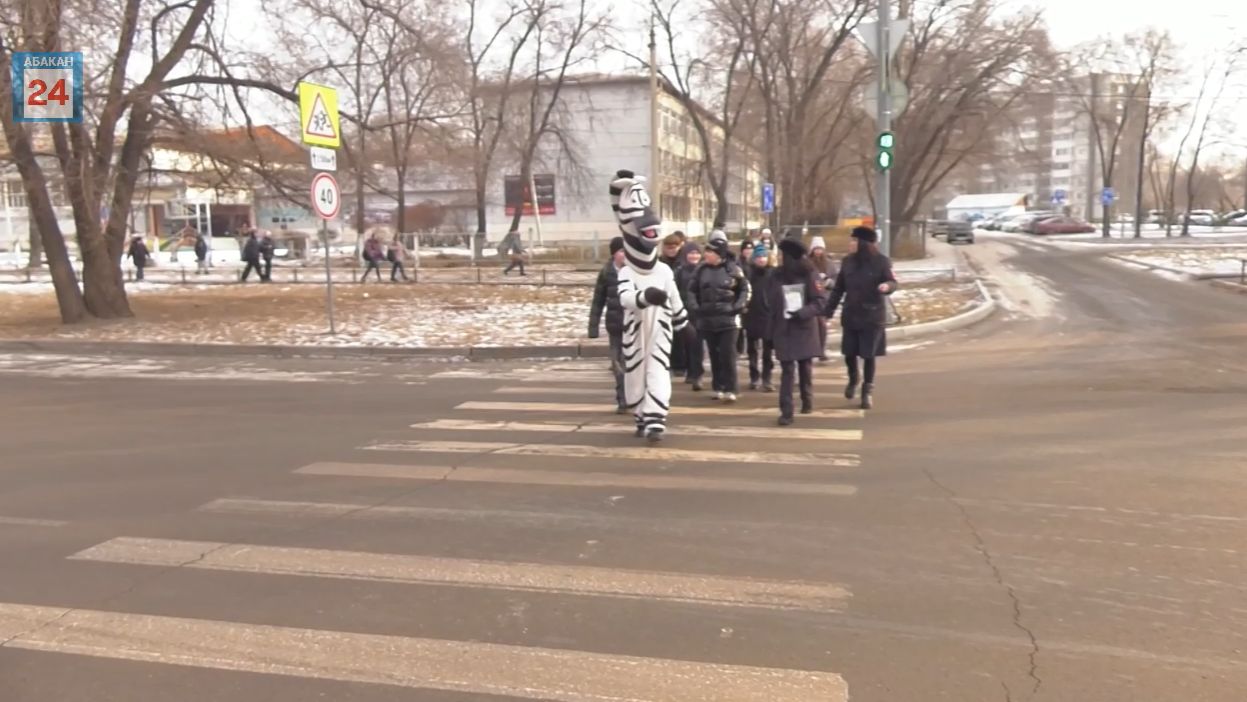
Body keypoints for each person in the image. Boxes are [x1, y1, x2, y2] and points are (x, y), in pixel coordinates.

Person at [610, 170, 689, 442]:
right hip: (634, 331)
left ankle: (655, 420)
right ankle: (640, 415)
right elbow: (625, 298)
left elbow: (674, 297)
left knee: (657, 370)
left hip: (660, 330)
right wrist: (645, 298)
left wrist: (684, 324)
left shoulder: (664, 270)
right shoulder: (627, 272)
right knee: (635, 375)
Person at [825, 226, 898, 410]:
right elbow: (838, 289)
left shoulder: (881, 261)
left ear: (863, 243)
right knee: (849, 353)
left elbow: (892, 281)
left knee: (868, 355)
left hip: (872, 316)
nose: (851, 243)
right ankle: (853, 378)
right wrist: (828, 311)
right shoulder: (848, 262)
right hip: (851, 314)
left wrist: (887, 286)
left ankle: (867, 391)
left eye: (854, 240)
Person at [766, 238, 827, 425]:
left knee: (804, 366)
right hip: (783, 328)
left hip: (803, 328)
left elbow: (820, 302)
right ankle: (786, 411)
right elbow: (770, 301)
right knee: (787, 370)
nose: (779, 258)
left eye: (782, 255)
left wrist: (802, 312)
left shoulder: (810, 274)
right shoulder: (776, 275)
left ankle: (807, 399)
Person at [687, 237, 748, 402]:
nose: (706, 254)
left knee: (728, 354)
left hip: (729, 320)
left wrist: (738, 306)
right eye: (706, 251)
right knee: (714, 354)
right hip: (707, 320)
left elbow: (744, 289)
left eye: (710, 251)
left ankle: (731, 388)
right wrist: (695, 306)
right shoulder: (701, 270)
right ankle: (717, 387)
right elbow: (691, 290)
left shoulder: (733, 269)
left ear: (719, 254)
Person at [588, 236, 627, 413]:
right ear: (614, 254)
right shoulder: (606, 272)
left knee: (632, 363)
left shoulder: (634, 271)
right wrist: (593, 327)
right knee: (618, 364)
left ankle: (635, 395)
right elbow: (598, 301)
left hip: (634, 326)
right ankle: (622, 399)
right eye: (621, 251)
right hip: (615, 326)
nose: (625, 255)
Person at [742, 243, 775, 391]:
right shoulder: (748, 273)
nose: (761, 259)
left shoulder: (773, 273)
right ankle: (754, 377)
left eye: (764, 257)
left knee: (768, 350)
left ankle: (767, 378)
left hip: (768, 315)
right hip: (751, 314)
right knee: (752, 349)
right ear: (754, 259)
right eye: (758, 257)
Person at [674, 241, 705, 391]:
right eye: (691, 253)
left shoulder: (704, 270)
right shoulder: (680, 271)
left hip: (699, 312)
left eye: (697, 253)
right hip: (684, 311)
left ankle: (697, 374)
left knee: (697, 343)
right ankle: (689, 370)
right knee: (687, 343)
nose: (694, 256)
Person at [808, 236, 838, 361]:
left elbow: (837, 280)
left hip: (825, 299)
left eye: (820, 249)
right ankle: (812, 349)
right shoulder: (808, 263)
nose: (818, 252)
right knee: (812, 326)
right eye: (816, 249)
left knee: (822, 325)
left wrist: (829, 282)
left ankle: (821, 350)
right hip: (811, 298)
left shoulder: (829, 264)